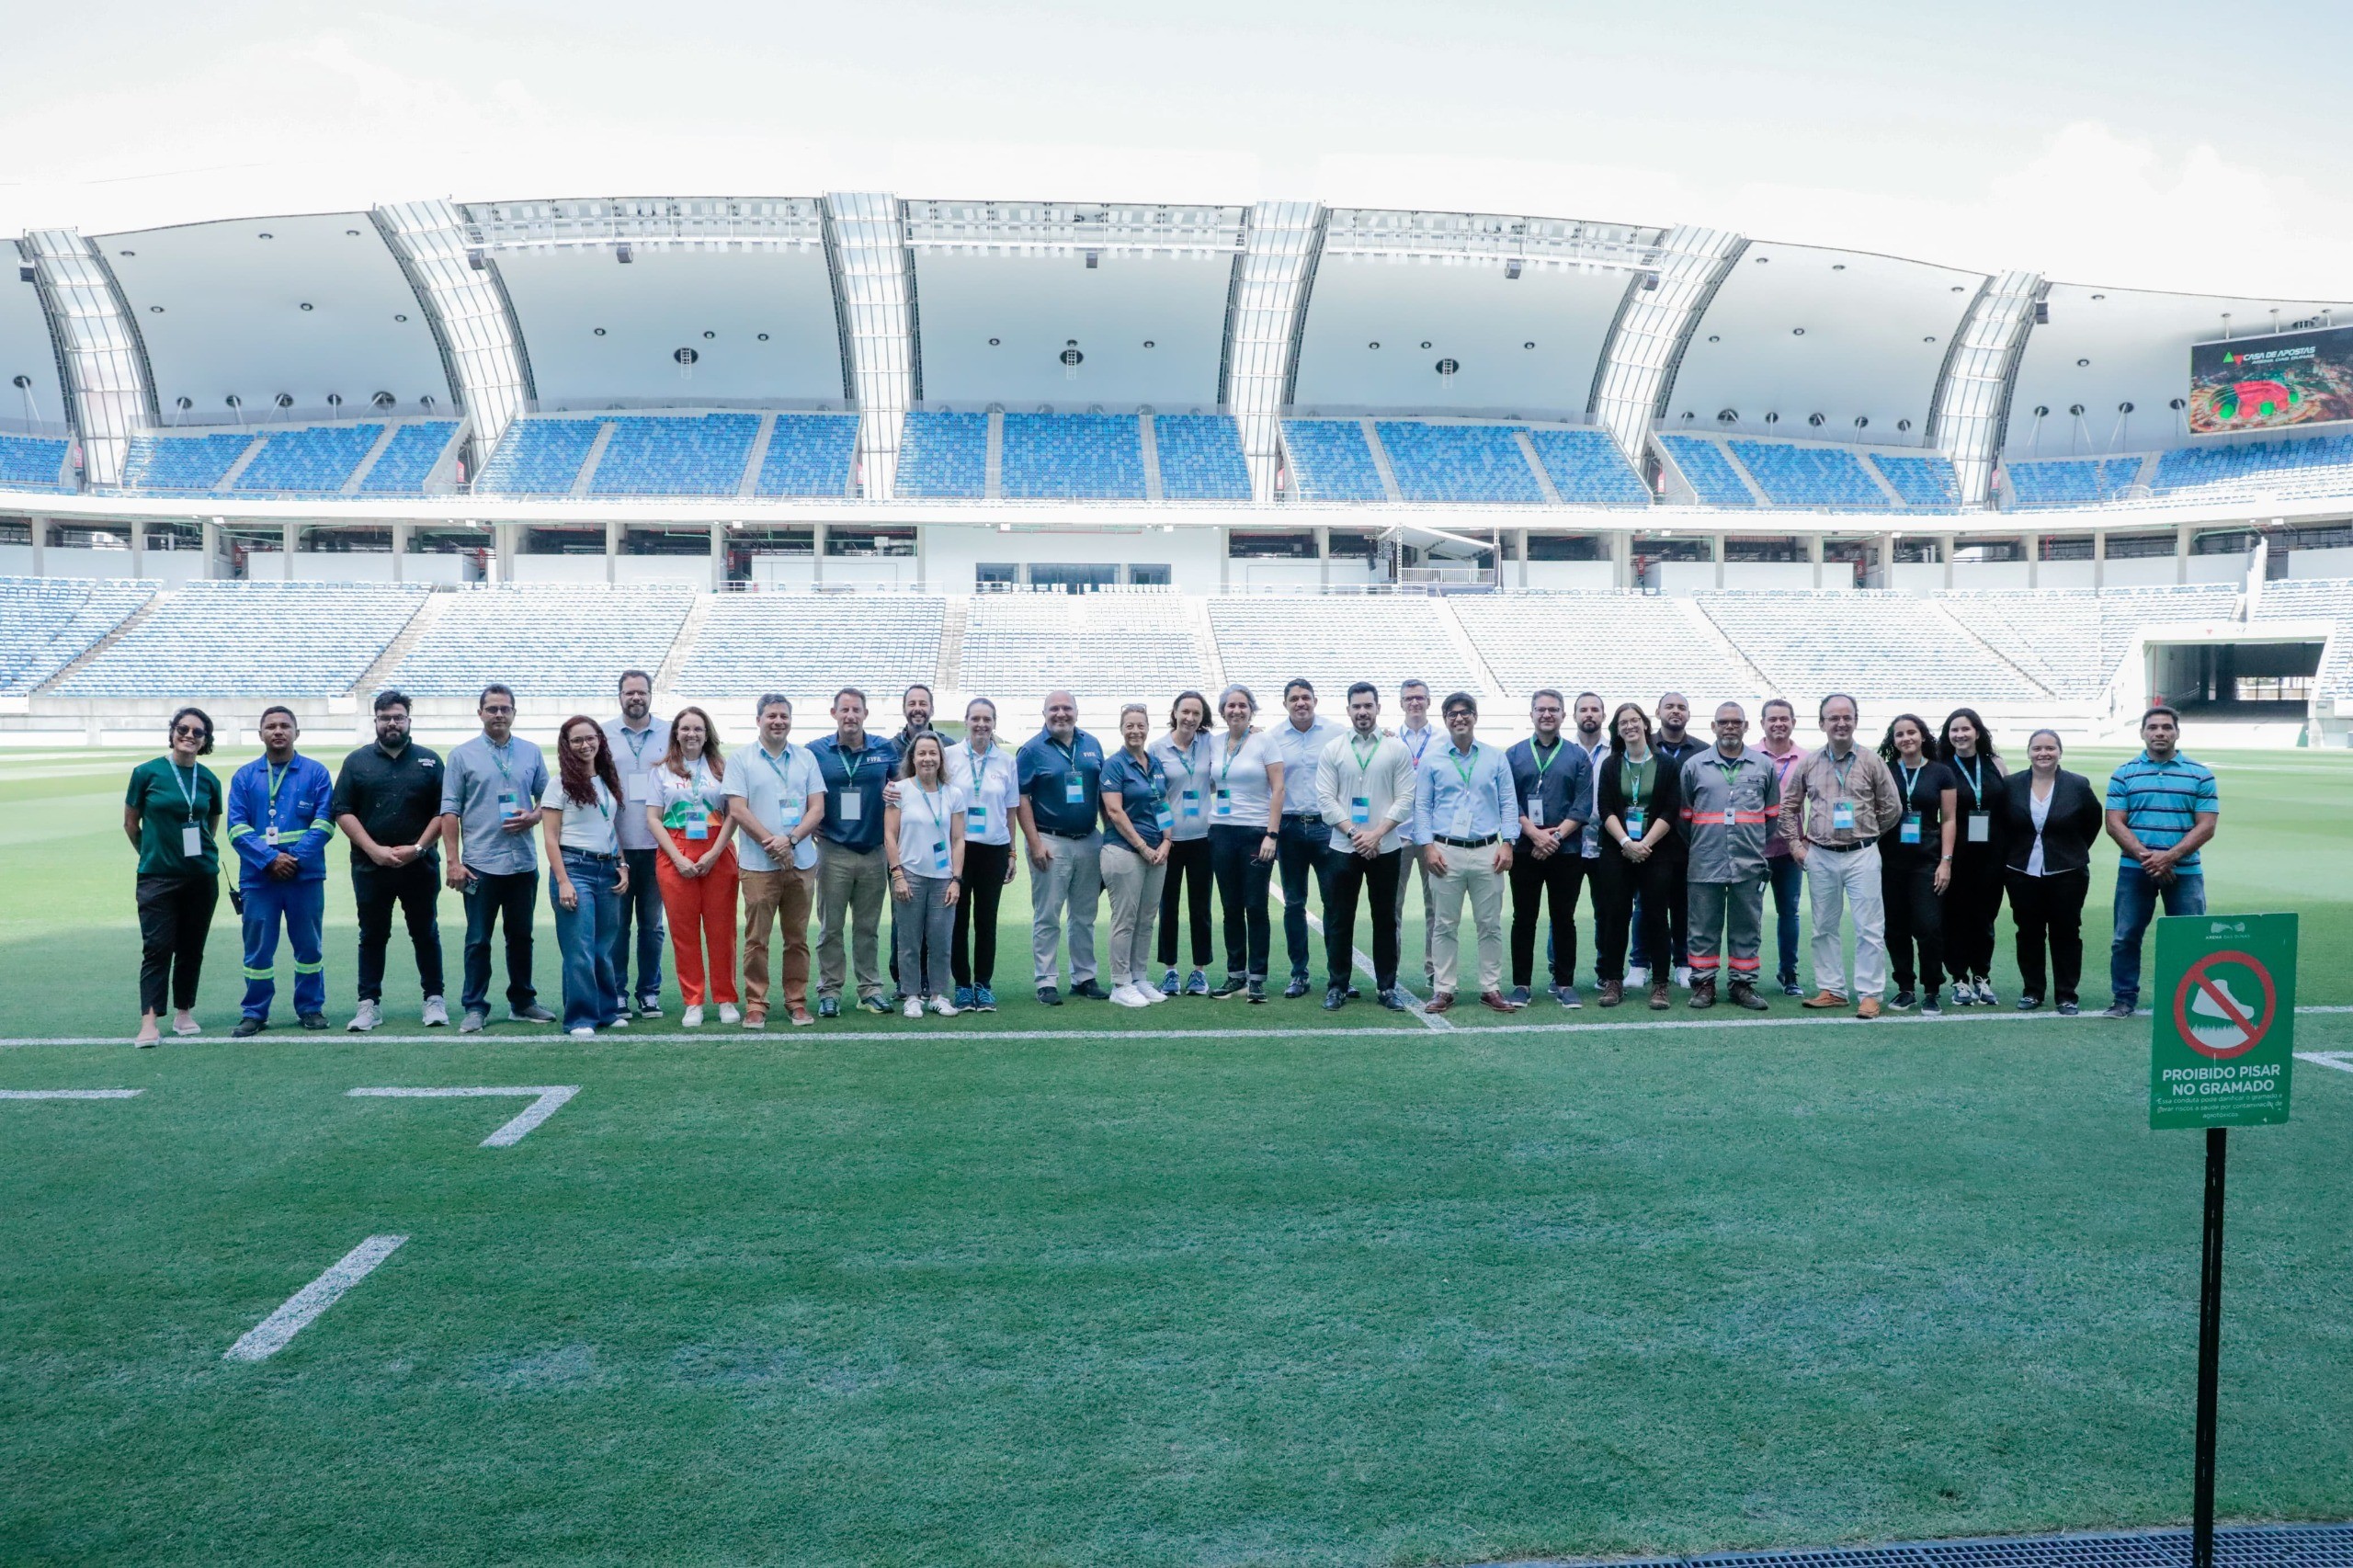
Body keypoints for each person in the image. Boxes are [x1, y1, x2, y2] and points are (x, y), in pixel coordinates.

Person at [440, 684, 557, 1033]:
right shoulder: (462, 755)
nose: (498, 715)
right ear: (480, 713)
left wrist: (533, 817)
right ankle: (475, 1006)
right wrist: (453, 861)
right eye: (491, 709)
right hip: (480, 864)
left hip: (522, 862)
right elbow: (450, 810)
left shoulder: (531, 752)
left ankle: (522, 1001)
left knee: (521, 936)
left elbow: (548, 801)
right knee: (478, 938)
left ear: (514, 713)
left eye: (505, 709)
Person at [330, 689, 447, 1033]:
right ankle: (368, 1005)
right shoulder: (357, 761)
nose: (392, 723)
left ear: (409, 720)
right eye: (385, 718)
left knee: (425, 932)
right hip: (371, 867)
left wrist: (419, 848)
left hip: (420, 865)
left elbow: (444, 811)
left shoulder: (428, 761)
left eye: (398, 717)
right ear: (376, 721)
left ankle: (434, 1000)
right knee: (372, 935)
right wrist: (374, 850)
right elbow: (343, 810)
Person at [1783, 693, 1903, 1021]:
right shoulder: (1808, 762)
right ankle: (1832, 989)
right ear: (1822, 723)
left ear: (1855, 721)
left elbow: (1892, 807)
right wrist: (1796, 846)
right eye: (1833, 717)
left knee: (1869, 928)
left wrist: (1869, 833)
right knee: (1823, 926)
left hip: (1862, 854)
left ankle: (1869, 994)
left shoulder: (1870, 760)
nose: (1840, 722)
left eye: (1846, 716)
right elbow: (1790, 806)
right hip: (1820, 855)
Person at [2102, 705, 2220, 1018]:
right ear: (2142, 733)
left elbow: (2206, 825)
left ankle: (2189, 1000)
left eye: (2167, 727)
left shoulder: (2200, 774)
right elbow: (2114, 823)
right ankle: (2123, 999)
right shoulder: (2124, 773)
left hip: (2185, 871)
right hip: (2135, 870)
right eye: (2153, 727)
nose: (2160, 733)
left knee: (2190, 938)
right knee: (2125, 937)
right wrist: (2149, 859)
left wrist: (2170, 857)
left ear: (2177, 733)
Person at [223, 706, 335, 1038]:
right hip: (259, 879)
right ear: (260, 734)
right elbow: (236, 828)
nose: (278, 731)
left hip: (304, 876)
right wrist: (269, 859)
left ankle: (310, 1007)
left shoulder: (316, 773)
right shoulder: (245, 776)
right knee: (258, 948)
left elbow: (325, 822)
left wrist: (293, 858)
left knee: (309, 947)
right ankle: (255, 1012)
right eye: (270, 726)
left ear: (296, 733)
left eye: (285, 725)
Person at [1414, 691, 1518, 1014]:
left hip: (1488, 850)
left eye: (1465, 713)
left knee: (1490, 924)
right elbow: (1422, 806)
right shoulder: (1433, 759)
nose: (1459, 718)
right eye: (1452, 714)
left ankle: (1491, 987)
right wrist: (1428, 846)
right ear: (1444, 719)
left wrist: (1508, 842)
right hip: (1446, 851)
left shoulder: (1494, 757)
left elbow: (1508, 802)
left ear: (1475, 716)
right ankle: (1444, 988)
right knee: (1445, 924)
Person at [724, 694, 825, 1028]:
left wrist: (791, 840)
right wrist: (773, 843)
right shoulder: (741, 759)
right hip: (758, 864)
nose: (778, 721)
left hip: (801, 861)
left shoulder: (806, 758)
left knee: (797, 938)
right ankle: (756, 1003)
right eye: (771, 716)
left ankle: (796, 1002)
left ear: (790, 720)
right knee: (757, 940)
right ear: (759, 720)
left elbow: (817, 808)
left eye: (783, 715)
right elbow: (738, 809)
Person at [125, 707, 224, 1045]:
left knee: (191, 947)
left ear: (205, 741)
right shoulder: (146, 773)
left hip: (201, 876)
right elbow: (130, 824)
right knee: (157, 948)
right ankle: (149, 1022)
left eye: (198, 732)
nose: (189, 735)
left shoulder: (209, 779)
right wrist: (153, 853)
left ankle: (184, 1012)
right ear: (172, 732)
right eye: (183, 728)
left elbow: (210, 824)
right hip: (157, 877)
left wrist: (193, 854)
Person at [1314, 681, 1415, 1011]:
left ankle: (1387, 988)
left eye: (1368, 706)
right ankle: (1338, 985)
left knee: (1385, 919)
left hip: (1385, 848)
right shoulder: (1334, 749)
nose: (1362, 712)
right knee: (1339, 918)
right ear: (1348, 710)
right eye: (1356, 706)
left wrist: (1377, 834)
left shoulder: (1396, 748)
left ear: (1378, 708)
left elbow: (1405, 799)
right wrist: (1357, 834)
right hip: (1343, 849)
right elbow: (1326, 800)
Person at [1678, 701, 1779, 1010]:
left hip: (1749, 862)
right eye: (1724, 722)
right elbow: (1685, 818)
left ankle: (1742, 985)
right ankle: (1704, 983)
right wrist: (1702, 845)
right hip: (1705, 861)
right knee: (1702, 926)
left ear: (1747, 726)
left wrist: (1752, 845)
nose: (1730, 727)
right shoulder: (1694, 766)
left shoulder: (1763, 766)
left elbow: (1771, 817)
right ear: (1713, 727)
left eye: (1736, 722)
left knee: (1747, 926)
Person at [1996, 729, 2102, 1015]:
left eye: (2050, 748)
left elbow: (2092, 821)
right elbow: (2002, 825)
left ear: (2059, 752)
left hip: (2067, 871)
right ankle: (2033, 991)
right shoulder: (2012, 785)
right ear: (2028, 752)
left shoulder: (2078, 785)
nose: (2044, 753)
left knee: (2066, 932)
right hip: (2021, 870)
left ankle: (2067, 994)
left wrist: (2071, 850)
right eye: (2037, 748)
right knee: (2028, 932)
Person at [645, 705, 738, 1028]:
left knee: (721, 930)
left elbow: (732, 814)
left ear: (707, 733)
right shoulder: (661, 771)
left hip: (717, 849)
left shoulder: (723, 768)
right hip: (676, 850)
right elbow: (653, 819)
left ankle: (725, 998)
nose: (691, 734)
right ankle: (693, 1001)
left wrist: (714, 852)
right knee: (684, 933)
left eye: (698, 728)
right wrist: (678, 857)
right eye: (685, 728)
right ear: (676, 733)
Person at [810, 687, 899, 1018]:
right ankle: (830, 990)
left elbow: (902, 790)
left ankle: (870, 989)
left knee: (867, 927)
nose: (850, 715)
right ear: (833, 713)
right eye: (844, 710)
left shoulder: (883, 749)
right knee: (830, 927)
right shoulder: (816, 751)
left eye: (856, 710)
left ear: (865, 713)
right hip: (833, 850)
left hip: (874, 851)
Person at [1017, 689, 1109, 1006]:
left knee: (1084, 915)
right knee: (1048, 915)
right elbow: (1022, 799)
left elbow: (1104, 796)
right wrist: (1034, 843)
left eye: (1066, 708)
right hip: (1050, 841)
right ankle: (1046, 980)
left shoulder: (1092, 744)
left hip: (1088, 838)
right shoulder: (1031, 750)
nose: (1061, 714)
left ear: (1076, 712)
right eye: (1054, 709)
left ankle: (1084, 976)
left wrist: (1108, 837)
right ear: (1044, 714)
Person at [541, 716, 630, 1039]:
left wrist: (622, 864)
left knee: (604, 947)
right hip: (574, 867)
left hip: (607, 869)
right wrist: (563, 880)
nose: (585, 745)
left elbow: (610, 828)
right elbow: (550, 837)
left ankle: (606, 1011)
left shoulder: (606, 779)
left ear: (599, 740)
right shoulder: (560, 783)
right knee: (578, 948)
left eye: (590, 738)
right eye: (577, 740)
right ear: (567, 745)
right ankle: (580, 1018)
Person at [1506, 688, 1595, 1008]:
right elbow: (1507, 801)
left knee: (1563, 918)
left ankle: (1565, 983)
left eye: (1553, 709)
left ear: (1562, 715)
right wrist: (1532, 832)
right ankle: (1521, 984)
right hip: (1523, 851)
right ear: (1531, 714)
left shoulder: (1577, 756)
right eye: (1541, 709)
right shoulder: (1513, 754)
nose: (1547, 714)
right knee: (1523, 918)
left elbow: (1583, 805)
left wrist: (1553, 838)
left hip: (1566, 852)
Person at [1594, 702, 1679, 1010]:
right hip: (1618, 850)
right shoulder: (1611, 764)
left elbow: (1671, 809)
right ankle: (1613, 981)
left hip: (1656, 850)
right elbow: (1605, 809)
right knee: (1616, 915)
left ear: (1645, 724)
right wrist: (1627, 842)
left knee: (1656, 915)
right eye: (1623, 723)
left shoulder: (1666, 764)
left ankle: (1660, 984)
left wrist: (1646, 844)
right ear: (1617, 730)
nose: (1629, 726)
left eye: (1634, 721)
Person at [1204, 684, 1285, 1002]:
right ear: (1222, 711)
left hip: (1255, 833)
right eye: (1230, 706)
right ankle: (1235, 974)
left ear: (1251, 709)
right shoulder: (1213, 743)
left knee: (1256, 906)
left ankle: (1257, 977)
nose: (1236, 710)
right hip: (1221, 833)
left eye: (1242, 705)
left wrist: (1272, 834)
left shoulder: (1265, 741)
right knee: (1231, 907)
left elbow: (1278, 789)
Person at [1266, 678, 1344, 998]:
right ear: (1285, 704)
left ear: (1315, 700)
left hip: (1328, 827)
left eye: (1306, 697)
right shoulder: (1272, 738)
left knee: (1334, 904)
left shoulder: (1336, 732)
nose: (1301, 703)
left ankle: (1340, 976)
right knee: (1294, 903)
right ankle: (1299, 974)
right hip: (1289, 828)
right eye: (1294, 698)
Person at [1878, 713, 1959, 1015]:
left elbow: (1949, 819)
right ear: (1893, 740)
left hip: (1927, 861)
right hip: (1890, 862)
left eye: (1911, 732)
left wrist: (1946, 861)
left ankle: (1932, 989)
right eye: (1899, 734)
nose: (1906, 739)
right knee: (1895, 928)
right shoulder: (1885, 771)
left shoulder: (1941, 773)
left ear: (1922, 735)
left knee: (1928, 926)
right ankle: (1905, 988)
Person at [604, 670, 670, 1019]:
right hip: (618, 847)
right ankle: (616, 993)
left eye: (641, 692)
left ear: (650, 695)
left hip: (658, 845)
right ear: (620, 696)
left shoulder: (670, 731)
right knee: (617, 926)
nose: (636, 698)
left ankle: (649, 992)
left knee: (652, 925)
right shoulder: (604, 734)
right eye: (629, 692)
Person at [947, 699, 1019, 1013]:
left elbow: (1011, 809)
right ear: (966, 721)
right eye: (975, 718)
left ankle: (983, 985)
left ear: (994, 722)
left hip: (994, 850)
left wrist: (1013, 852)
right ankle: (962, 985)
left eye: (986, 719)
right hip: (960, 849)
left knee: (986, 921)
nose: (981, 724)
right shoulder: (949, 757)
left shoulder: (1006, 761)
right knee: (958, 920)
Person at [1099, 703, 1174, 1009]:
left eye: (1140, 725)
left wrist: (1167, 841)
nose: (1135, 731)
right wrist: (1143, 846)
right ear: (1121, 728)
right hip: (1125, 851)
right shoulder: (1114, 765)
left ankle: (1140, 976)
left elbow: (1163, 805)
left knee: (1146, 920)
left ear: (1147, 728)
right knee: (1125, 920)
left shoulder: (1154, 764)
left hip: (1157, 853)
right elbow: (1114, 811)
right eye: (1129, 725)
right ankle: (1121, 982)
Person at [886, 731, 965, 1017]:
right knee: (909, 941)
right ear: (913, 758)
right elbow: (890, 835)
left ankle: (938, 994)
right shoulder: (899, 789)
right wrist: (898, 874)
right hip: (911, 874)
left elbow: (958, 840)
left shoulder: (954, 794)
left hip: (943, 877)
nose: (927, 758)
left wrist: (956, 879)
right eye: (922, 753)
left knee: (941, 940)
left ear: (941, 758)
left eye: (933, 753)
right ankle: (911, 995)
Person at [1631, 689, 1703, 988]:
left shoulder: (1701, 750)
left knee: (1683, 906)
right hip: (1646, 843)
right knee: (1644, 905)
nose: (1676, 711)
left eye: (1682, 707)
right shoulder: (1642, 748)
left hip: (1687, 844)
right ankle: (1639, 963)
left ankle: (1683, 962)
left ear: (1688, 714)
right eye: (1669, 707)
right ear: (1657, 713)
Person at [1938, 708, 2006, 1006]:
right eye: (1954, 730)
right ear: (1948, 734)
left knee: (1984, 919)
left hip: (1992, 855)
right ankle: (1959, 979)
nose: (1960, 735)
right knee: (1954, 918)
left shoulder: (1995, 764)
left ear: (1977, 732)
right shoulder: (1942, 767)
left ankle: (1982, 976)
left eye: (1965, 729)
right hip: (1957, 854)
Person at [1151, 690, 1217, 998]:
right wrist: (1166, 836)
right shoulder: (1157, 748)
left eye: (1196, 713)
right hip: (1171, 841)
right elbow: (1157, 797)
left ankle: (1200, 972)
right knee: (1169, 907)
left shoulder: (1210, 744)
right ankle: (1170, 971)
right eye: (1185, 712)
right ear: (1174, 713)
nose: (1189, 718)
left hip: (1204, 839)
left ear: (1203, 718)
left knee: (1201, 907)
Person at [887, 682, 938, 999]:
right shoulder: (888, 747)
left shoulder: (944, 744)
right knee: (902, 917)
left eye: (923, 703)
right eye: (912, 703)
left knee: (936, 916)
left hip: (936, 847)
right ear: (904, 708)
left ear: (931, 709)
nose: (917, 708)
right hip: (900, 846)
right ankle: (903, 980)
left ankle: (931, 979)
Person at [1756, 699, 1809, 997]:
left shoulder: (1806, 758)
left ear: (1793, 722)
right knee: (1749, 914)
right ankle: (1745, 972)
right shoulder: (1750, 755)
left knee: (1789, 912)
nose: (1778, 723)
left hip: (1791, 852)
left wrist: (1807, 840)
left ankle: (1788, 972)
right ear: (1762, 722)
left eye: (1784, 718)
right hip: (1754, 851)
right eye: (1773, 718)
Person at [1392, 678, 1441, 981]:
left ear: (1428, 701)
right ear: (1400, 703)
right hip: (1395, 834)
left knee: (1436, 907)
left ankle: (1435, 970)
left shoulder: (1443, 739)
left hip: (1432, 836)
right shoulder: (1388, 738)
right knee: (1391, 908)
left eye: (1420, 697)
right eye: (1409, 698)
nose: (1415, 702)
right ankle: (1390, 971)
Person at [1563, 690, 1611, 986]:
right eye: (1584, 710)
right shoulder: (1564, 751)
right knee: (1562, 913)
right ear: (1575, 716)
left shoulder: (1615, 751)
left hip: (1605, 844)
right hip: (1569, 843)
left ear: (1603, 716)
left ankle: (1606, 973)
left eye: (1595, 709)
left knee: (1606, 912)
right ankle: (1560, 973)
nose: (1589, 714)